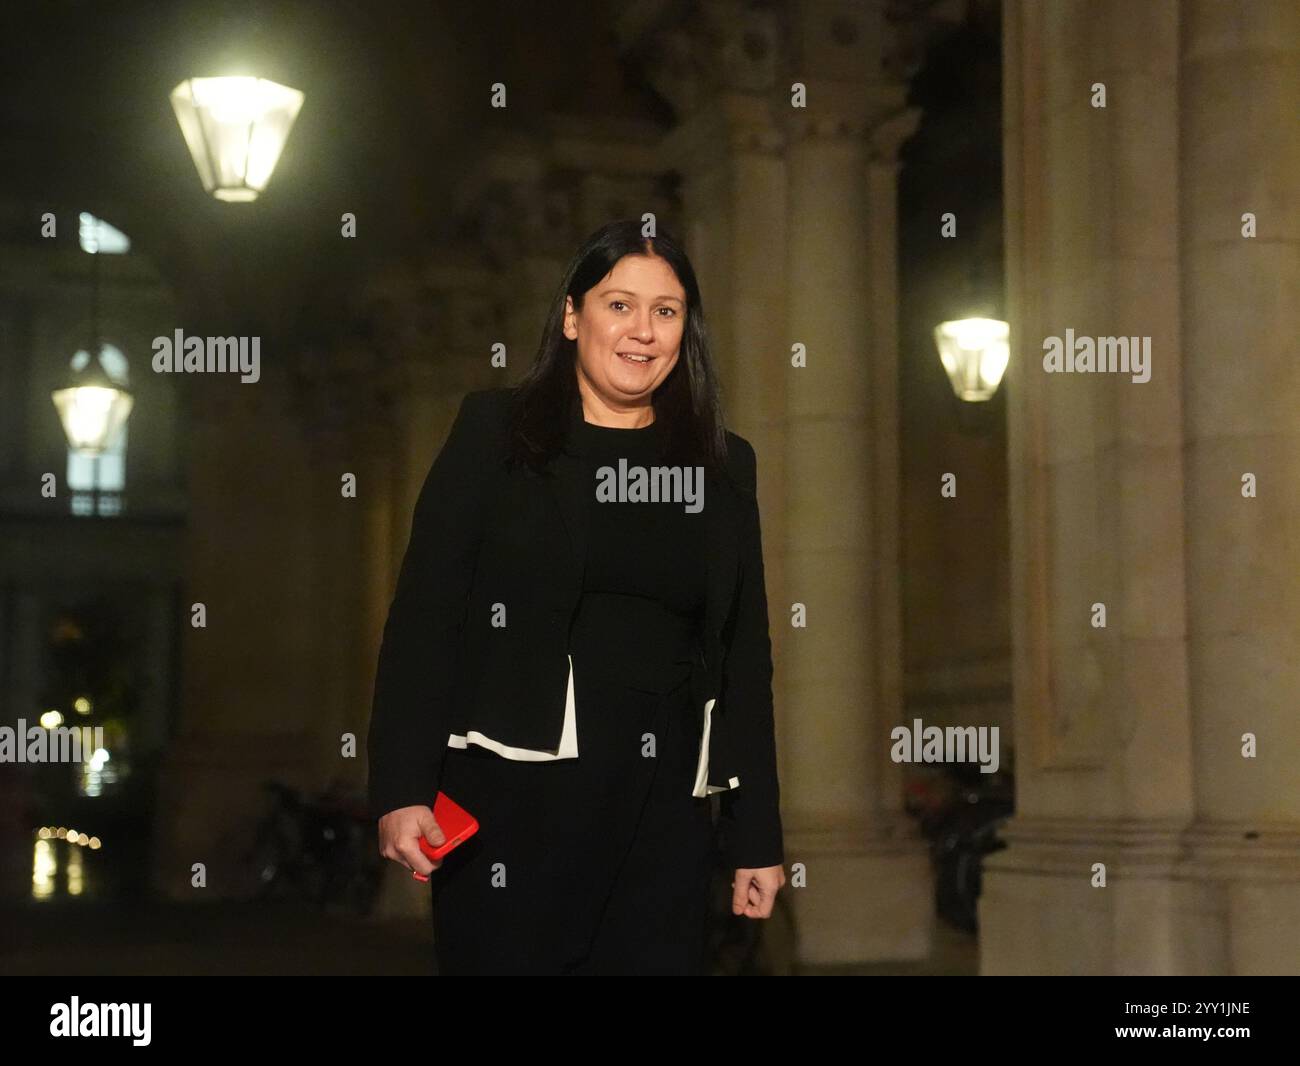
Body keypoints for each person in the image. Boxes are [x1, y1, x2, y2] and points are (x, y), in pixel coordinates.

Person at [367, 219, 784, 975]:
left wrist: (757, 836)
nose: (643, 331)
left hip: (667, 808)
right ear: (571, 316)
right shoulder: (496, 432)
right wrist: (401, 786)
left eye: (667, 311)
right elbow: (427, 615)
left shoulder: (725, 468)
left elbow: (745, 656)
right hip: (513, 796)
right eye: (619, 304)